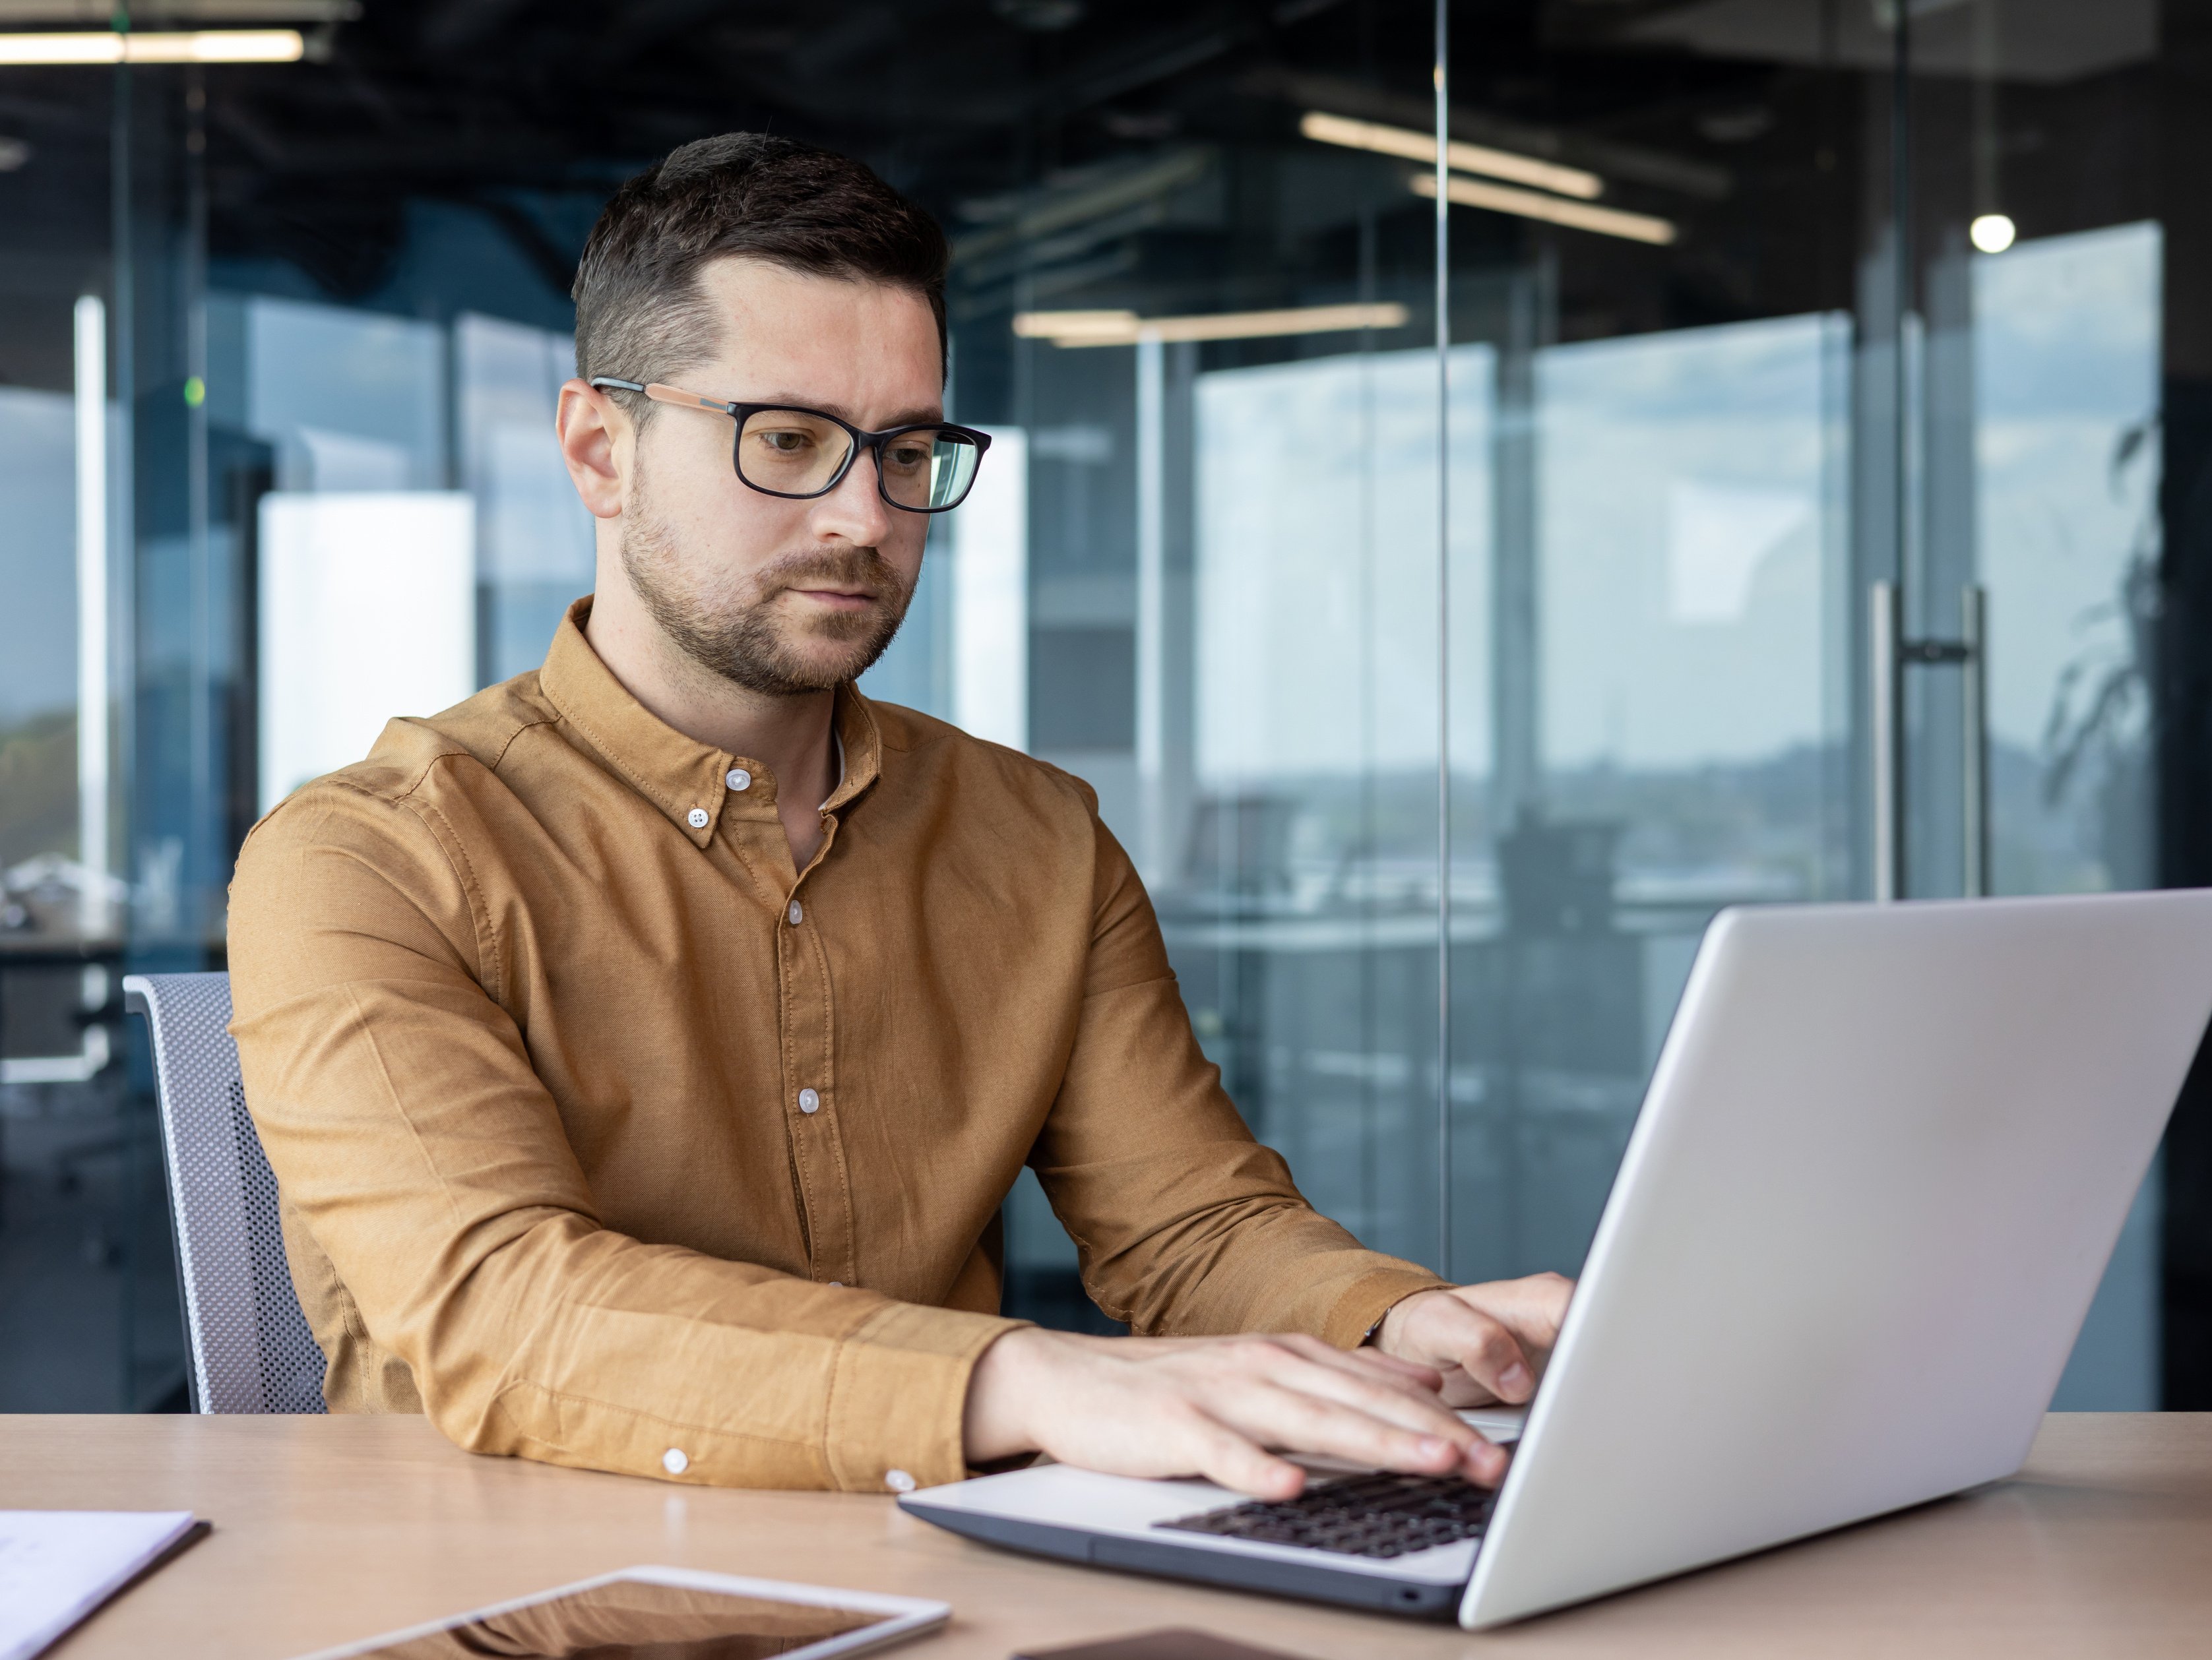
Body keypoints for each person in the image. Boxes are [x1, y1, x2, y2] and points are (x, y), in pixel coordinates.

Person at [227, 132, 1570, 1501]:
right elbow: (505, 1307)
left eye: (907, 448)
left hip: (946, 1567)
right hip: (519, 1594)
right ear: (598, 448)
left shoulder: (1036, 835)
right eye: (790, 439)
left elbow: (1191, 1223)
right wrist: (1022, 1377)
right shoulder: (368, 858)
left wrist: (1397, 1331)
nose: (866, 515)